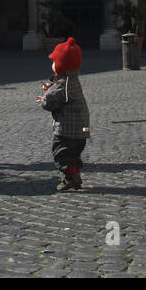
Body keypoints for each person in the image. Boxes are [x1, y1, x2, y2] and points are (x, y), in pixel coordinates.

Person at [38, 37, 90, 192]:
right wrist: (51, 88)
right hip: (82, 130)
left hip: (67, 130)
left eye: (54, 61)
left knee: (60, 154)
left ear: (60, 65)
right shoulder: (73, 80)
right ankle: (72, 176)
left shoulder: (61, 85)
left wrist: (46, 95)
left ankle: (73, 176)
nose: (52, 64)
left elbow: (48, 103)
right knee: (73, 154)